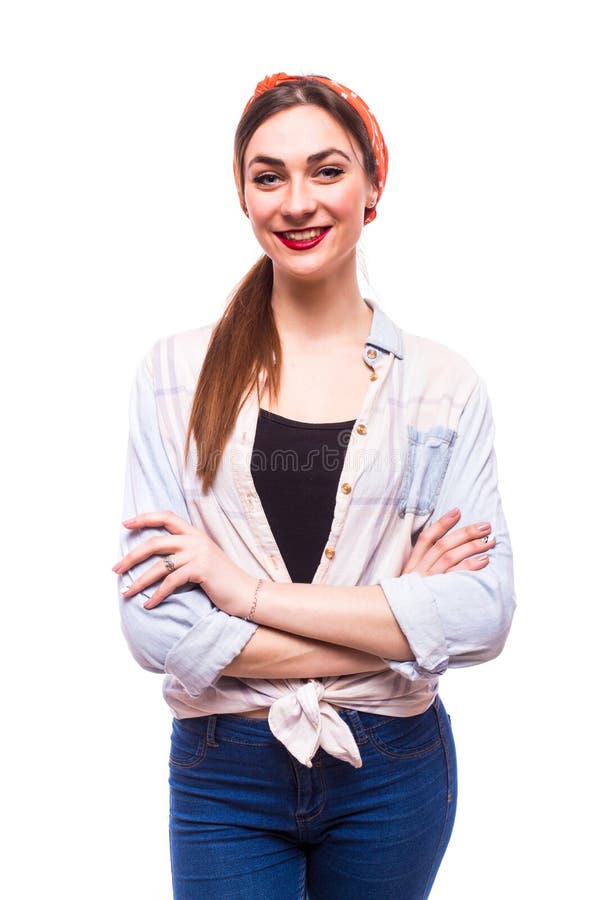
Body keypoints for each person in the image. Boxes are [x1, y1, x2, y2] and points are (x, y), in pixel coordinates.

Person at [114, 72, 516, 900]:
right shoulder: (172, 377)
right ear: (244, 196)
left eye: (326, 171)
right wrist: (398, 617)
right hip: (225, 773)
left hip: (395, 771)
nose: (297, 201)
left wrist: (241, 593)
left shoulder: (444, 386)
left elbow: (483, 614)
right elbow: (155, 632)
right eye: (270, 177)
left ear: (373, 184)